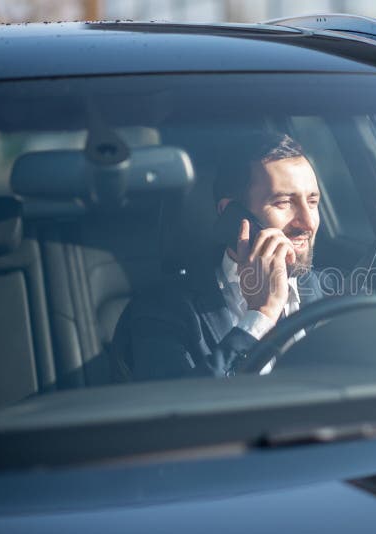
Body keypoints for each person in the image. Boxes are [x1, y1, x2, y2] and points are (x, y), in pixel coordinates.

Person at [113, 132, 324, 381]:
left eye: (312, 201)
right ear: (233, 214)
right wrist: (261, 315)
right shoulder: (160, 310)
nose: (308, 222)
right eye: (284, 202)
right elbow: (174, 410)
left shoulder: (338, 293)